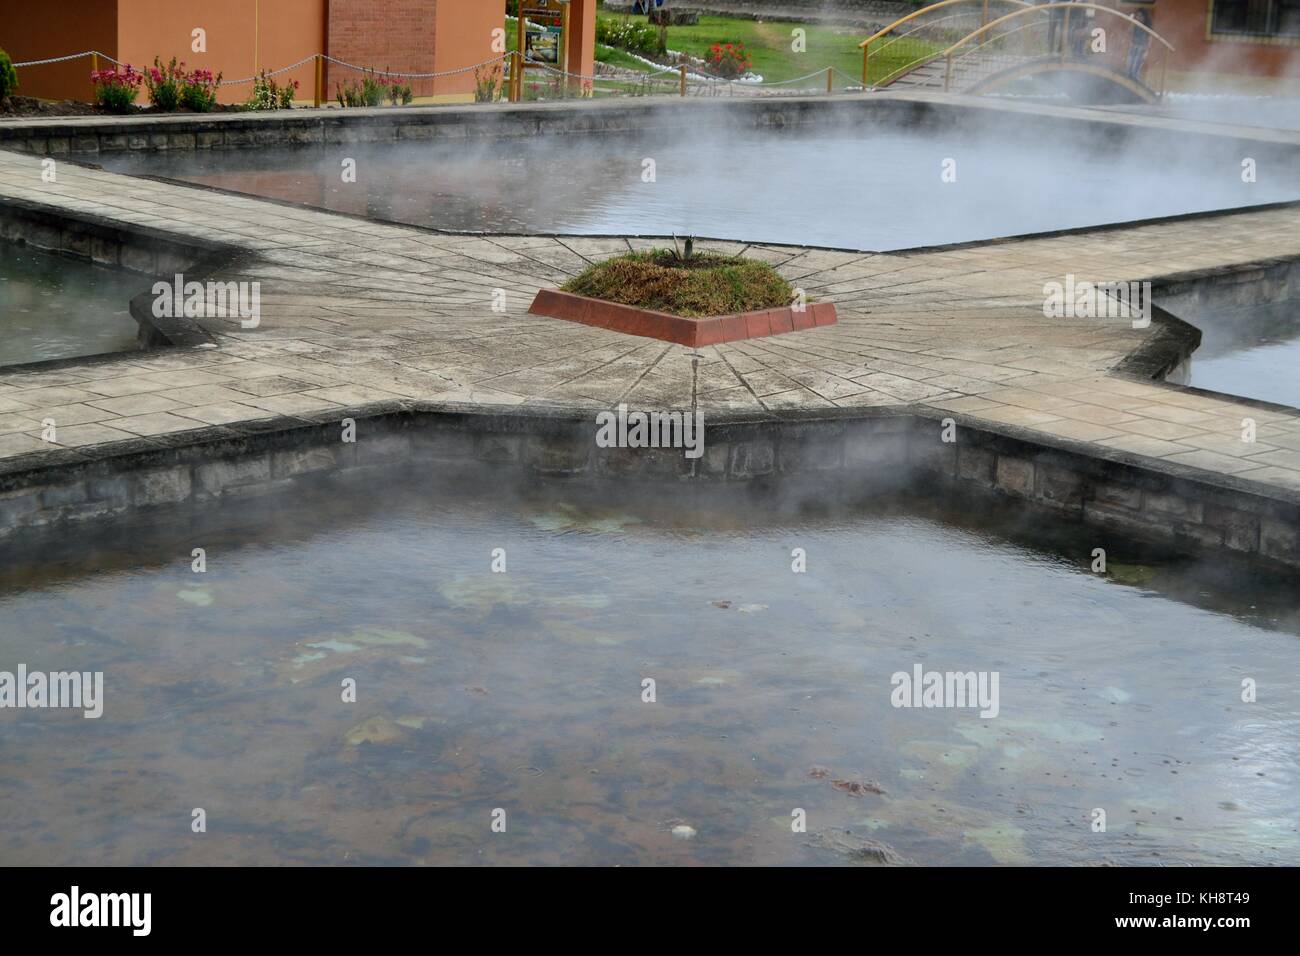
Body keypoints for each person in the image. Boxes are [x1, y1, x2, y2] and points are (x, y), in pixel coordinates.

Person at [1128, 8, 1153, 80]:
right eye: (1137, 16)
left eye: (1141, 16)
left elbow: (1149, 39)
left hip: (1141, 48)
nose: (1138, 18)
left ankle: (1135, 82)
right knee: (1129, 64)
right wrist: (1131, 22)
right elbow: (1130, 32)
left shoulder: (1147, 27)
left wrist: (1146, 51)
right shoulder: (1135, 25)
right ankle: (1129, 80)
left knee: (1136, 67)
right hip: (1133, 47)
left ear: (1145, 17)